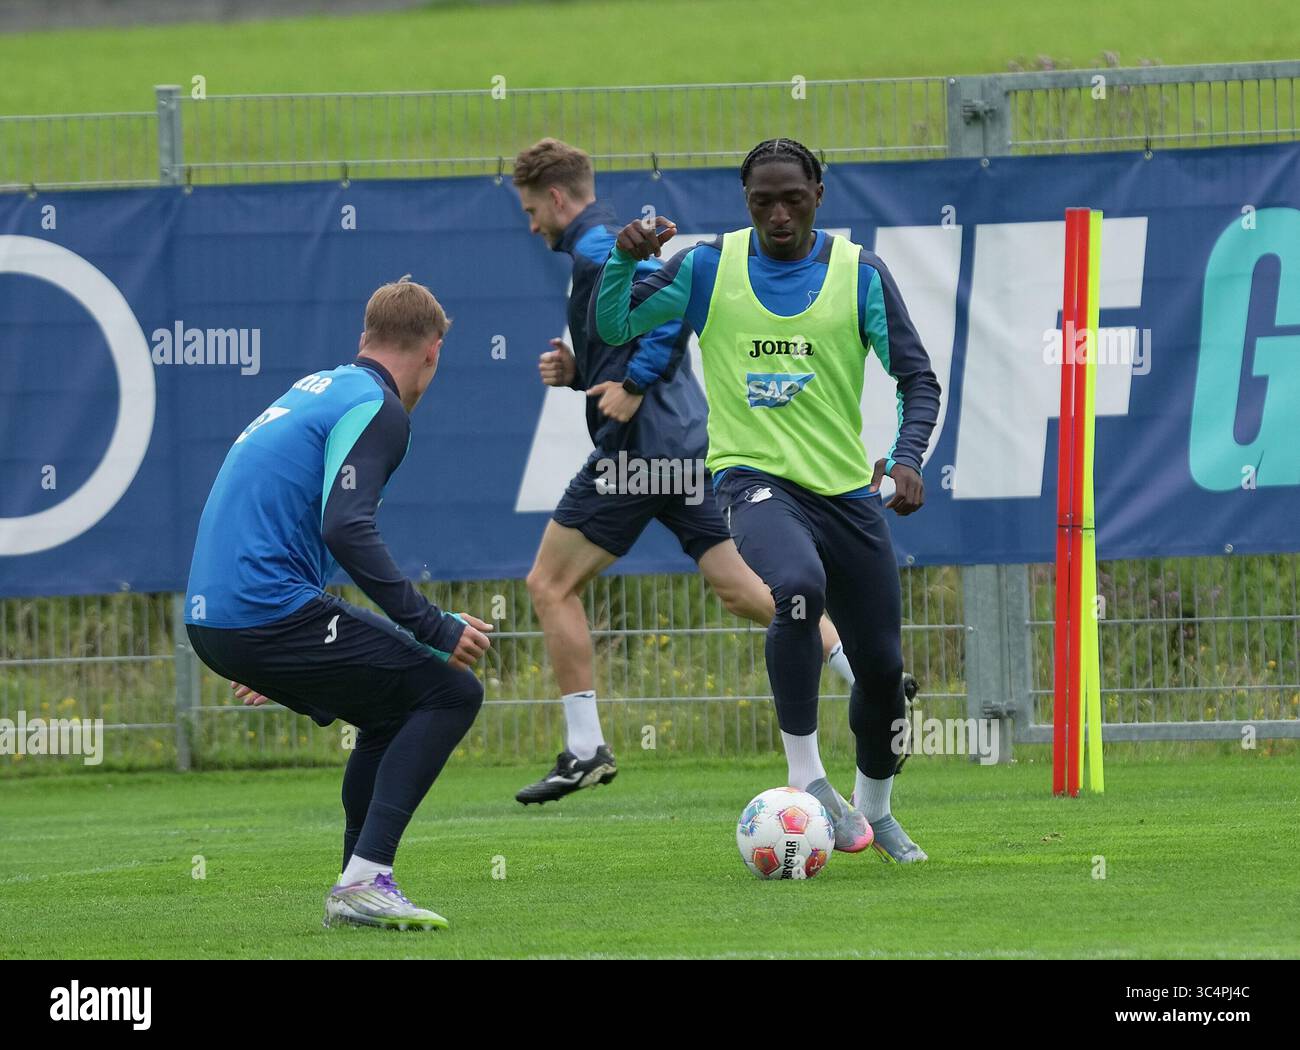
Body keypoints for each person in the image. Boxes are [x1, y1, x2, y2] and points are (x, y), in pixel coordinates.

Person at [595, 138, 942, 862]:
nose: (779, 213)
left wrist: (907, 459)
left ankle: (874, 813)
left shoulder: (860, 276)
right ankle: (807, 779)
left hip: (846, 493)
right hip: (753, 481)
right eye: (763, 201)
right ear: (744, 200)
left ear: (820, 191)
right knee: (796, 589)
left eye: (793, 197)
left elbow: (918, 379)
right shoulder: (705, 268)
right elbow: (614, 326)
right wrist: (625, 260)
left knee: (880, 671)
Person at [511, 138, 865, 842]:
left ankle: (586, 749)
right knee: (744, 591)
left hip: (638, 458)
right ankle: (865, 673)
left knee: (548, 584)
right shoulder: (605, 246)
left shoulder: (595, 251)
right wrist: (582, 371)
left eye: (529, 210)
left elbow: (671, 316)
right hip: (684, 451)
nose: (530, 226)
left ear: (556, 199)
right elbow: (626, 338)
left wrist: (634, 385)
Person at [184, 277, 494, 928]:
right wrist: (431, 625)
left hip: (217, 619)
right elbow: (346, 526)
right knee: (451, 692)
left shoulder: (319, 388)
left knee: (389, 712)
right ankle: (364, 879)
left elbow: (288, 518)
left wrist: (263, 640)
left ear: (364, 339)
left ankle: (359, 886)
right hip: (260, 612)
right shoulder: (381, 408)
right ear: (434, 351)